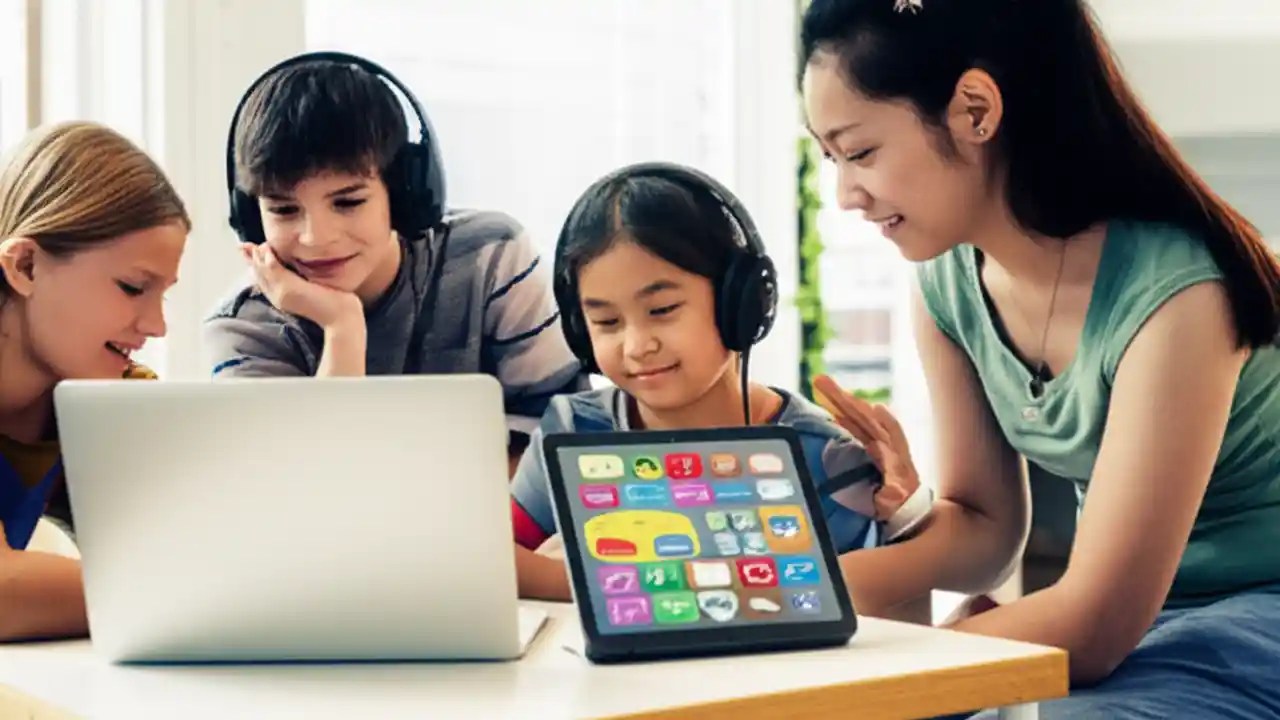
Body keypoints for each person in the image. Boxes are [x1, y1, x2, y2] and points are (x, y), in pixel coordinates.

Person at [800, 0, 1280, 717]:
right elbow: (984, 527)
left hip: (1253, 616)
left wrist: (906, 666)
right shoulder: (947, 284)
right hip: (1136, 627)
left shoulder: (1177, 294)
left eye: (861, 152)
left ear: (974, 109)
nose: (845, 195)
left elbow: (1093, 629)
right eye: (830, 157)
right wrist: (802, 597)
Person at [511, 163, 929, 600]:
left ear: (741, 302)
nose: (636, 345)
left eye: (663, 310)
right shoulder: (570, 434)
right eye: (607, 321)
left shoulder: (826, 461)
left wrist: (903, 519)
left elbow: (881, 626)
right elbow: (489, 562)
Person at [203, 52, 587, 458]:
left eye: (348, 202)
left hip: (502, 520)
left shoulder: (491, 257)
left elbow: (561, 436)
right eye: (283, 210)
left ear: (404, 194)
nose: (316, 237)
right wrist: (342, 328)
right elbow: (306, 483)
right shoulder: (243, 328)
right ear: (250, 214)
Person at [0, 121, 189, 641]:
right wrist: (190, 588)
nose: (156, 325)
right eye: (132, 287)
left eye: (163, 294)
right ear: (26, 266)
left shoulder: (112, 400)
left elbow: (191, 549)